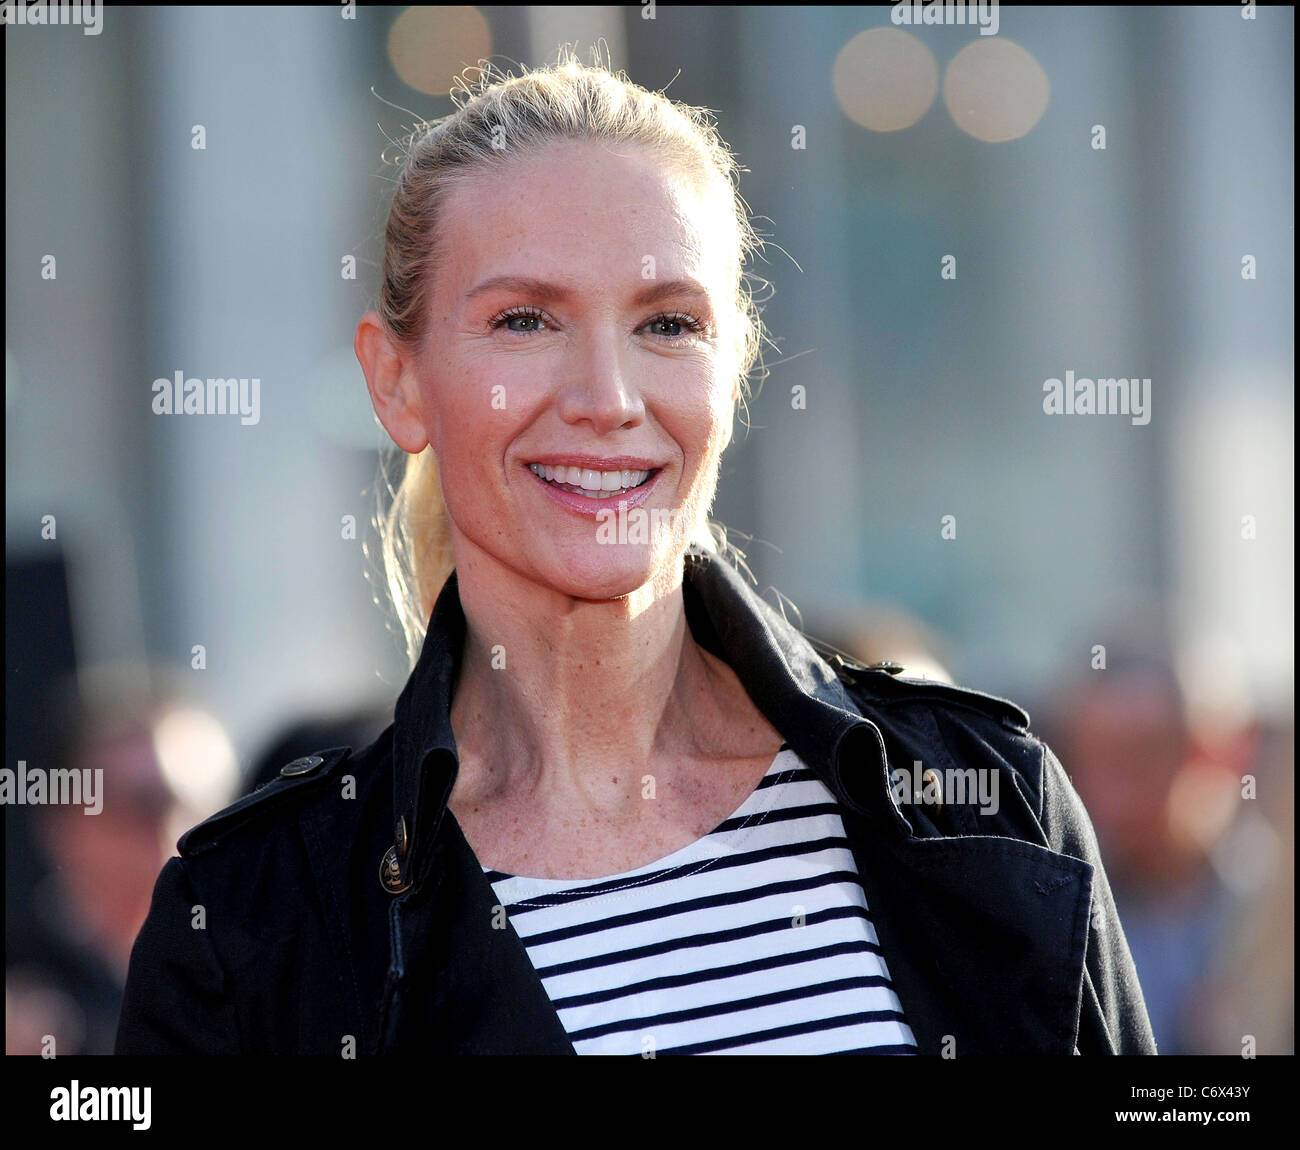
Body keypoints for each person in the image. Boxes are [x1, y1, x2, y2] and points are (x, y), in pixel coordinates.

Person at [116, 51, 1155, 1056]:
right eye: (524, 320)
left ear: (734, 366)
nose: (607, 399)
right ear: (396, 383)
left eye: (667, 323)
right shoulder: (258, 924)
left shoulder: (981, 800)